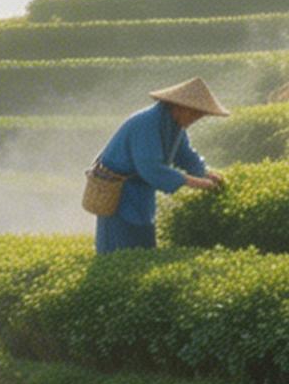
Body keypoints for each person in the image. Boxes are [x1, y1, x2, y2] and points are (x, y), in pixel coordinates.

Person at [91, 77, 229, 253]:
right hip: (120, 193)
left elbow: (185, 155)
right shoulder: (147, 123)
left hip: (141, 193)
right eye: (195, 113)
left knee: (144, 242)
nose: (196, 119)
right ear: (180, 107)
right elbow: (150, 168)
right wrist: (194, 182)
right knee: (119, 244)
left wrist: (204, 173)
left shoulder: (175, 125)